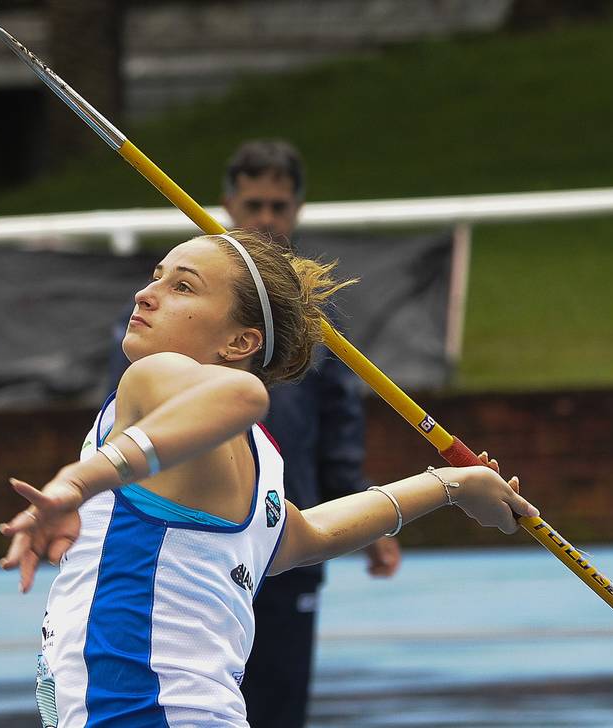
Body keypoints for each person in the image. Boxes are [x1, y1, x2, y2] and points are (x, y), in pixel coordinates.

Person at [0, 228, 538, 727]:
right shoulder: (260, 460)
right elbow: (306, 538)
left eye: (183, 286)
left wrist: (77, 480)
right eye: (156, 275)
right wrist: (452, 485)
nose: (146, 294)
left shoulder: (154, 377)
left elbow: (243, 395)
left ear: (240, 344)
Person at [108, 139, 400, 727]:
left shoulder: (309, 339)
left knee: (278, 702)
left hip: (268, 526)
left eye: (279, 207)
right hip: (186, 549)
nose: (266, 220)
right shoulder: (153, 346)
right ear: (228, 204)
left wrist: (438, 489)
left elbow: (321, 437)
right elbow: (162, 413)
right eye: (254, 206)